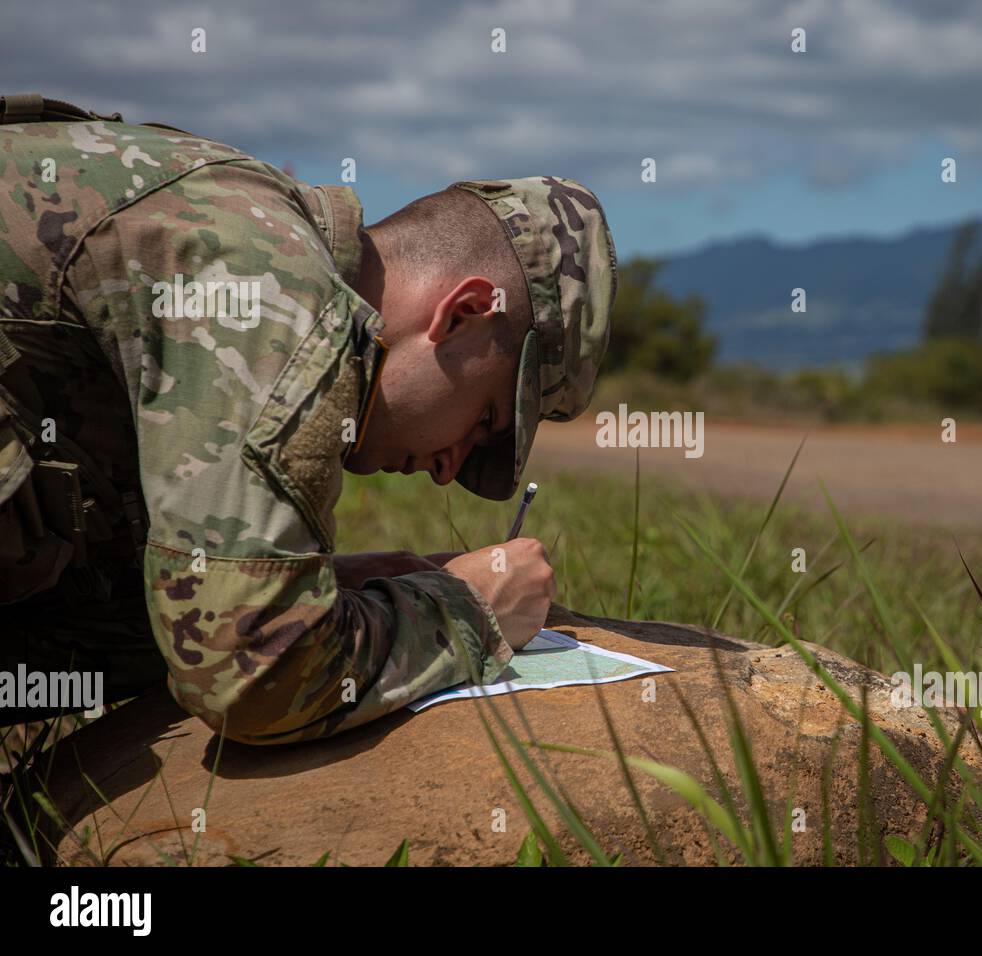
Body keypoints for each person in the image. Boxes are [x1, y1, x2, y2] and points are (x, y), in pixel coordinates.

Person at [0, 93, 617, 744]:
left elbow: (161, 630)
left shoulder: (241, 224)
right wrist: (470, 611)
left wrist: (336, 594)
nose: (447, 470)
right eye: (484, 421)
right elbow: (250, 675)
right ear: (461, 313)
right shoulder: (269, 277)